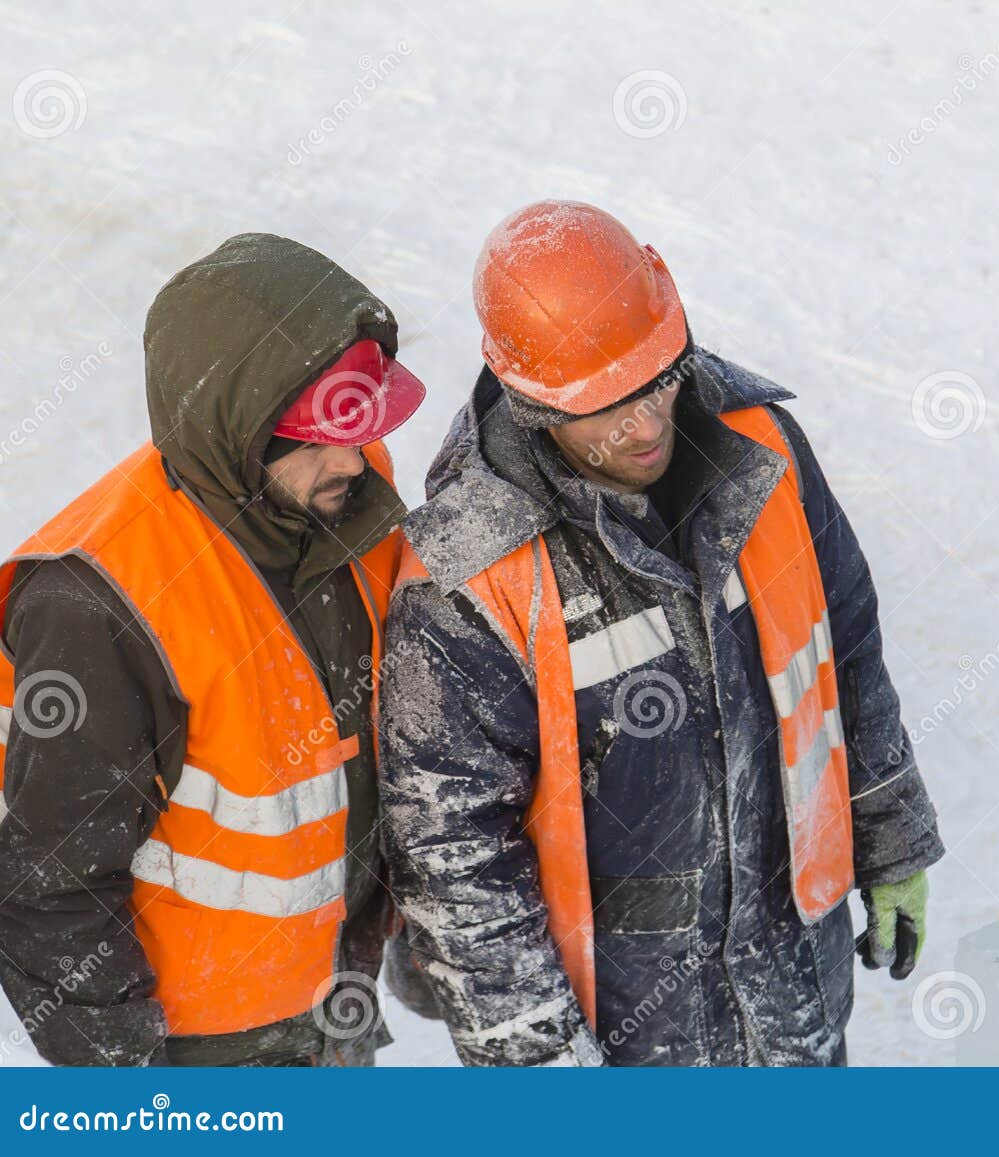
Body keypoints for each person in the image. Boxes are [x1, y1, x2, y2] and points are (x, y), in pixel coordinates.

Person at [379, 201, 942, 1066]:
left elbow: (848, 644)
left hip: (795, 991)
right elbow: (453, 854)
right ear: (532, 404)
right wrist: (537, 1060)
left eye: (657, 382)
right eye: (605, 408)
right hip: (623, 1039)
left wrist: (890, 830)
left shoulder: (763, 454)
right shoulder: (468, 580)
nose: (644, 427)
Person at [0, 233, 425, 1066]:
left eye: (358, 422)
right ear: (238, 426)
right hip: (200, 1053)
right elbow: (49, 889)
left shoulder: (340, 493)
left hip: (335, 1007)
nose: (355, 456)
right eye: (318, 435)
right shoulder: (97, 607)